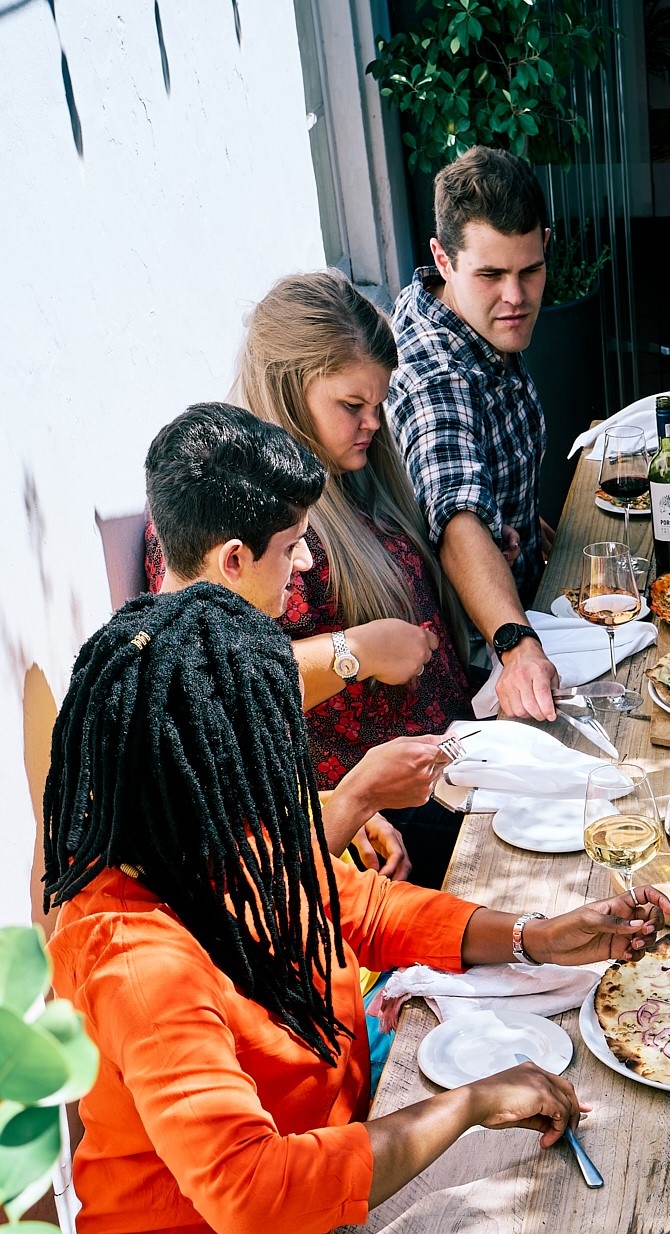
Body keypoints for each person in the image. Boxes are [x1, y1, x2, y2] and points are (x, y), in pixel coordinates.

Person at [43, 582, 670, 1234]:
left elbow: (361, 909)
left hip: (326, 1174)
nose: (292, 755)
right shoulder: (138, 957)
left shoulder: (202, 834)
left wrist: (537, 937)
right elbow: (252, 1191)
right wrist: (469, 1104)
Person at [232, 271, 481, 886]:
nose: (373, 422)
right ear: (289, 392)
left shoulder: (355, 469)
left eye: (380, 404)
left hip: (453, 761)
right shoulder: (240, 508)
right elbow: (227, 684)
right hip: (380, 825)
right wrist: (360, 652)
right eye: (352, 406)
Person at [144, 401, 447, 880]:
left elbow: (263, 824)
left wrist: (332, 807)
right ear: (234, 561)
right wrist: (359, 796)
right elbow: (241, 899)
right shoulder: (176, 707)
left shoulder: (190, 650)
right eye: (291, 546)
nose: (304, 562)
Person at [389, 145, 560, 721]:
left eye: (529, 270)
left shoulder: (473, 316)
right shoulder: (431, 373)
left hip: (530, 608)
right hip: (477, 670)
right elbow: (456, 515)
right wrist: (516, 647)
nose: (515, 297)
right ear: (443, 259)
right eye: (491, 274)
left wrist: (522, 524)